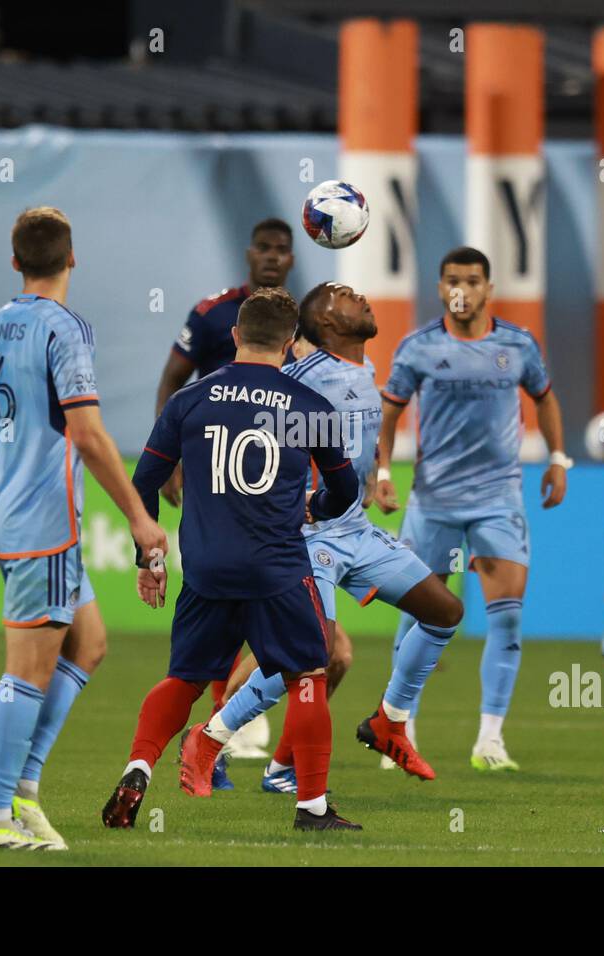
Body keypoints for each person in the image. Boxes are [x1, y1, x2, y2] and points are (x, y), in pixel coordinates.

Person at [184, 282, 463, 795]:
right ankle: (211, 737)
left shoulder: (365, 369)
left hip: (355, 528)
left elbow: (356, 441)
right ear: (328, 323)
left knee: (444, 611)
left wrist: (378, 474)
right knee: (313, 654)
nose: (362, 299)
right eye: (347, 297)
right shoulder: (299, 382)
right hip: (307, 539)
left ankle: (389, 723)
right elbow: (252, 441)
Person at [102, 286, 363, 832]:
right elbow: (345, 489)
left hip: (207, 570)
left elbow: (144, 484)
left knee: (184, 680)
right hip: (278, 570)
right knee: (309, 677)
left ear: (236, 336)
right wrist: (314, 505)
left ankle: (137, 767)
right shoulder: (310, 408)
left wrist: (147, 559)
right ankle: (311, 808)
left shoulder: (191, 401)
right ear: (291, 344)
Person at [0, 206, 166, 851]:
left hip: (11, 517)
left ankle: (24, 791)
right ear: (73, 259)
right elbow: (88, 433)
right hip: (42, 520)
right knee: (27, 671)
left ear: (15, 263)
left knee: (89, 642)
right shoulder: (66, 330)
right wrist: (139, 518)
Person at [375, 247, 569, 772]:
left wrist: (557, 458)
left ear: (489, 288)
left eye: (473, 280)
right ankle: (399, 732)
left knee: (506, 618)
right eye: (453, 280)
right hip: (432, 500)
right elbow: (388, 414)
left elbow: (545, 397)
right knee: (419, 615)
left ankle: (490, 741)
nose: (462, 289)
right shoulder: (418, 348)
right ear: (440, 288)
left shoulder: (518, 344)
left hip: (498, 499)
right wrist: (385, 473)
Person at [153, 217, 296, 759]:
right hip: (215, 474)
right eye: (263, 248)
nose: (271, 257)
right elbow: (172, 380)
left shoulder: (296, 321)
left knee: (263, 591)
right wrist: (168, 462)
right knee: (227, 590)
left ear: (291, 260)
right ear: (248, 253)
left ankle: (233, 718)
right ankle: (225, 718)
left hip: (273, 479)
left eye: (281, 250)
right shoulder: (214, 314)